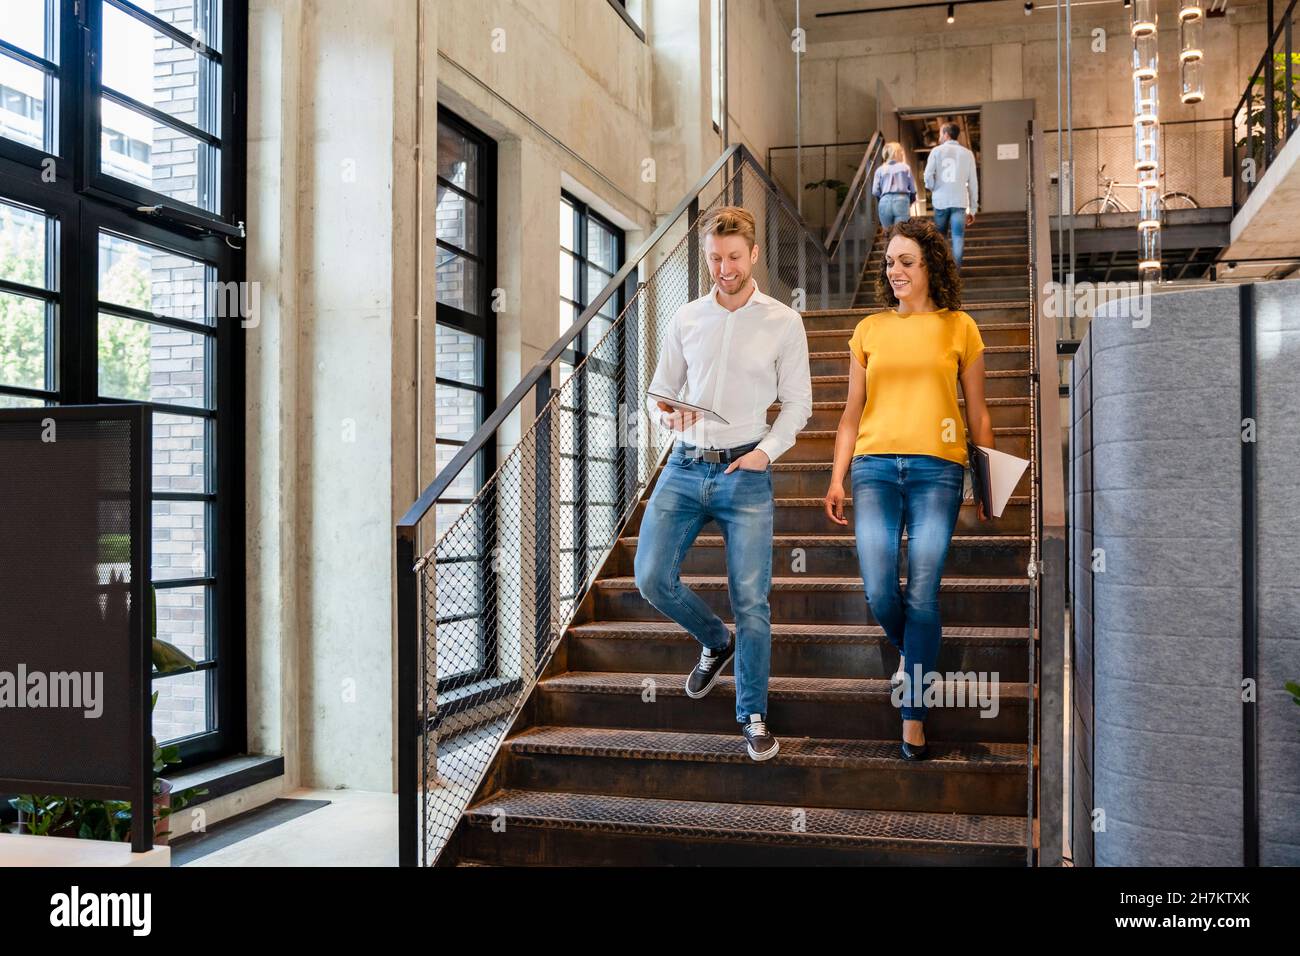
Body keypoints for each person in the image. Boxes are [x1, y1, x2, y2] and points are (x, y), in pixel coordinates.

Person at [635, 205, 812, 762]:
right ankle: (715, 640)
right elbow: (657, 392)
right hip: (684, 467)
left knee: (752, 600)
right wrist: (668, 418)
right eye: (714, 258)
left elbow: (800, 404)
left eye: (733, 257)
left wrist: (765, 452)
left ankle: (752, 713)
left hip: (746, 473)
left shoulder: (783, 321)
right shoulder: (686, 318)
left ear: (753, 254)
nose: (723, 268)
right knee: (650, 578)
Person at [822, 218, 994, 761]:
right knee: (879, 589)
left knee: (922, 593)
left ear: (930, 267)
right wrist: (835, 475)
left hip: (938, 470)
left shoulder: (960, 327)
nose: (894, 271)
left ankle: (913, 717)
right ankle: (913, 654)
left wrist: (988, 483)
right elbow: (851, 413)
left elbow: (980, 413)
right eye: (890, 262)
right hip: (873, 468)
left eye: (906, 262)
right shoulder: (868, 331)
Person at [923, 122, 979, 267]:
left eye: (941, 133)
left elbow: (928, 175)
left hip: (940, 201)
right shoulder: (967, 153)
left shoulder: (936, 151)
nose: (940, 137)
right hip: (959, 201)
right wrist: (973, 209)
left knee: (940, 237)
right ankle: (956, 273)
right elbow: (973, 182)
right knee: (958, 237)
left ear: (946, 134)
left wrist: (932, 187)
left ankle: (942, 271)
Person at [871, 141, 917, 229]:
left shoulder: (880, 170)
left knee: (888, 233)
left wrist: (882, 198)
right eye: (901, 152)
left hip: (884, 201)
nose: (902, 154)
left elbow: (875, 191)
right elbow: (913, 190)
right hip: (901, 201)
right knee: (901, 233)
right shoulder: (905, 168)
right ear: (896, 153)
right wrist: (910, 201)